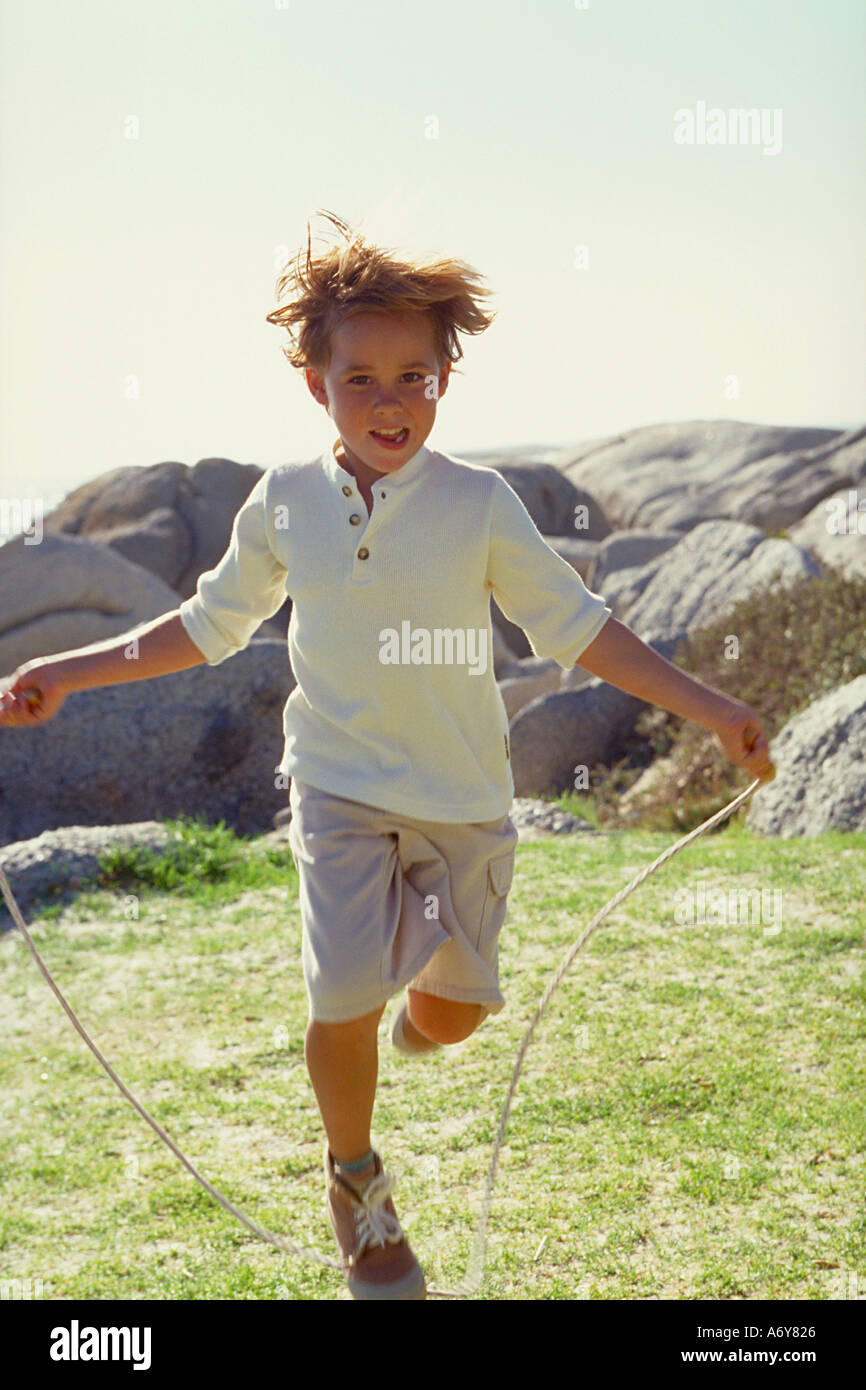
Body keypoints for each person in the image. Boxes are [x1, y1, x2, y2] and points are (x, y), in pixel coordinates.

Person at [0, 210, 774, 1301]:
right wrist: (67, 670)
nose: (387, 401)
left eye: (412, 375)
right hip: (336, 788)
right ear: (313, 380)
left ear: (444, 379)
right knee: (341, 995)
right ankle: (355, 1183)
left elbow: (580, 628)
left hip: (462, 798)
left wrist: (712, 707)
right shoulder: (284, 503)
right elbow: (205, 623)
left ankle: (421, 1004)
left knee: (451, 1017)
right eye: (358, 377)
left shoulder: (477, 504)